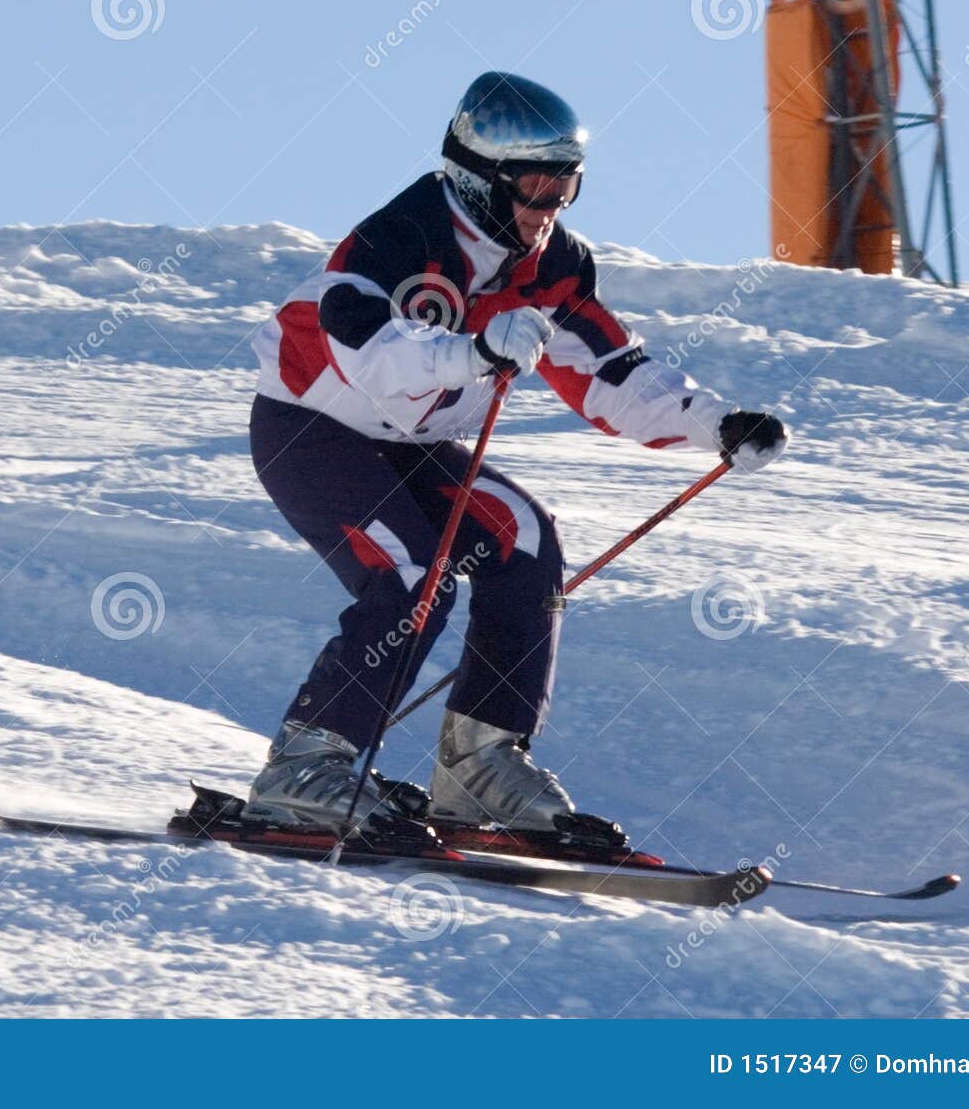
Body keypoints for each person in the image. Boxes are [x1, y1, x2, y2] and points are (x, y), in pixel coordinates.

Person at [243, 71, 788, 833]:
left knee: (526, 544)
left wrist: (716, 425)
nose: (549, 209)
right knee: (412, 575)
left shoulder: (555, 263)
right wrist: (469, 352)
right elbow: (365, 350)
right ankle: (306, 769)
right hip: (313, 427)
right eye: (534, 187)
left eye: (566, 189)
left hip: (417, 443)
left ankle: (479, 765)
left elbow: (609, 371)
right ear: (479, 178)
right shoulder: (401, 236)